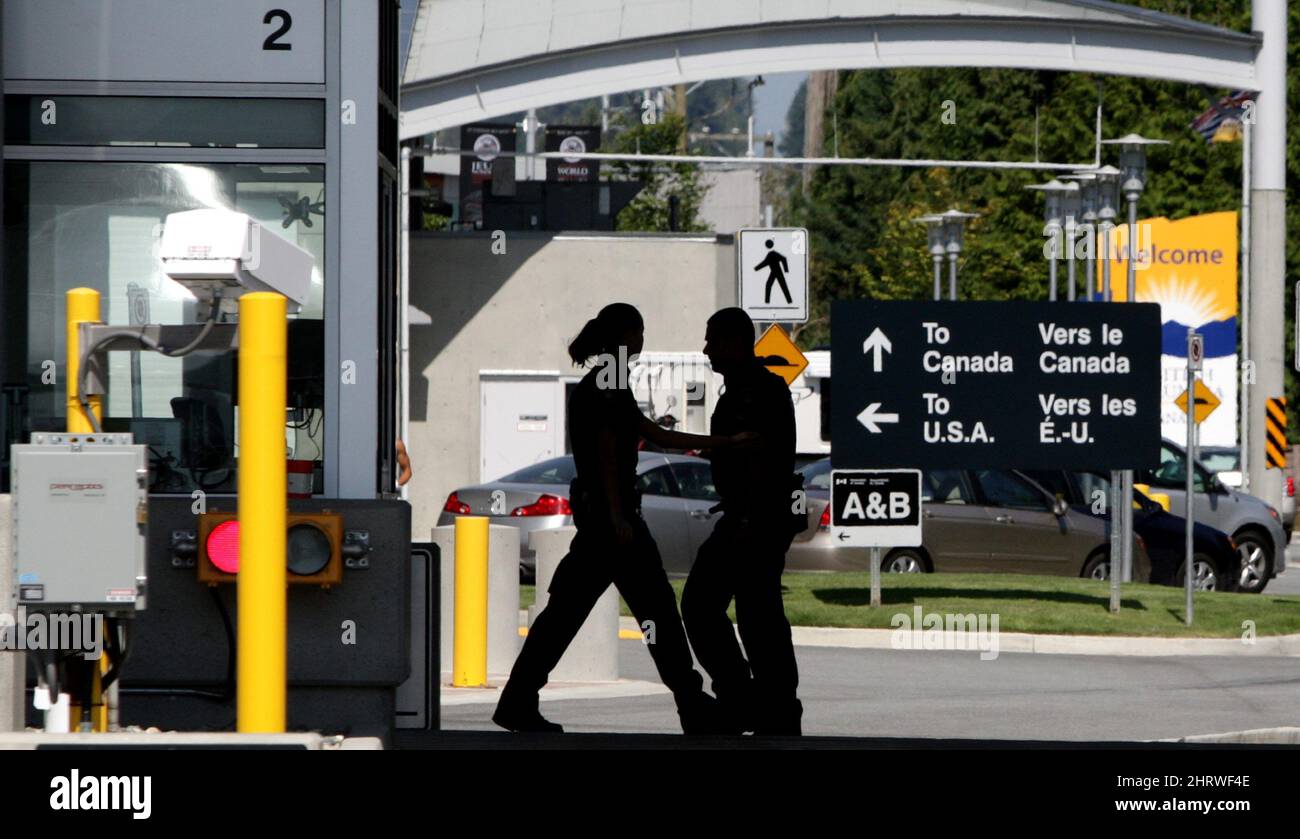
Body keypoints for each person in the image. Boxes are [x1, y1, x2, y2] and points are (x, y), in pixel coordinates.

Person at [493, 303, 754, 734]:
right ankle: (690, 704)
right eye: (641, 330)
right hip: (614, 526)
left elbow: (654, 434)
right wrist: (618, 515)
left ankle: (518, 699)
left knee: (567, 615)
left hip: (601, 522)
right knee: (657, 615)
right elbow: (610, 451)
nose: (643, 339)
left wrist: (723, 442)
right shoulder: (610, 382)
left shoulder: (605, 380)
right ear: (628, 335)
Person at [681, 307, 803, 735]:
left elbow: (766, 461)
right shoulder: (740, 390)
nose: (706, 349)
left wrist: (751, 518)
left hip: (755, 520)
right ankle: (753, 700)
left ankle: (768, 704)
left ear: (736, 342)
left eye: (713, 340)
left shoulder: (759, 391)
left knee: (752, 615)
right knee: (735, 610)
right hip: (745, 517)